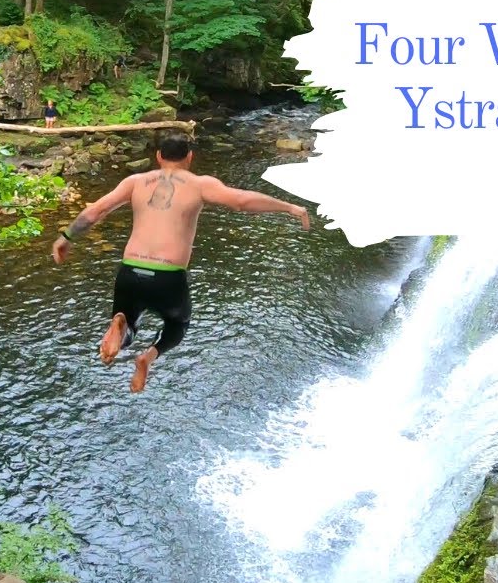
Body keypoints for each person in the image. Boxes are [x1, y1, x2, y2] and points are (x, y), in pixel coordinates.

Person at [51, 132, 310, 393]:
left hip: (130, 271)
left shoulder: (135, 181)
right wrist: (289, 207)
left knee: (128, 322)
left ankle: (120, 322)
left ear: (158, 156)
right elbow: (242, 202)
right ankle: (147, 358)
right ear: (189, 157)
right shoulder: (199, 184)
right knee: (177, 325)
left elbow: (95, 211)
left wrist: (66, 237)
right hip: (168, 276)